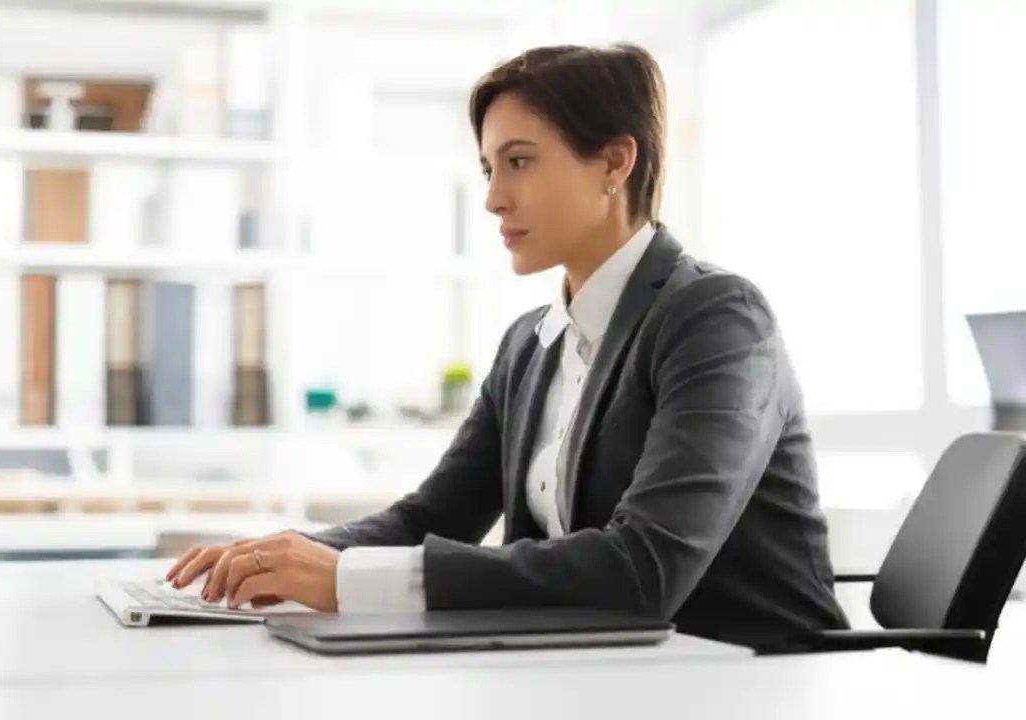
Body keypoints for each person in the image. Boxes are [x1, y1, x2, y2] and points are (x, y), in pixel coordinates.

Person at [166, 43, 849, 645]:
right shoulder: (530, 344)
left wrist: (348, 579)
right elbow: (432, 516)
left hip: (743, 677)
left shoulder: (716, 319)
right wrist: (280, 557)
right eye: (489, 167)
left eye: (518, 161)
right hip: (593, 674)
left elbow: (645, 569)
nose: (493, 198)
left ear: (614, 161)